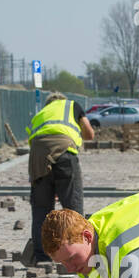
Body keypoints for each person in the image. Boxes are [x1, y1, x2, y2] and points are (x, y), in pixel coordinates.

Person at [23, 94, 94, 265]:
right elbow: (89, 133)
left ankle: (42, 257)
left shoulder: (41, 114)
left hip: (38, 157)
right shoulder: (71, 105)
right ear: (62, 100)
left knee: (41, 208)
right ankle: (80, 253)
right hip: (64, 150)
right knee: (73, 205)